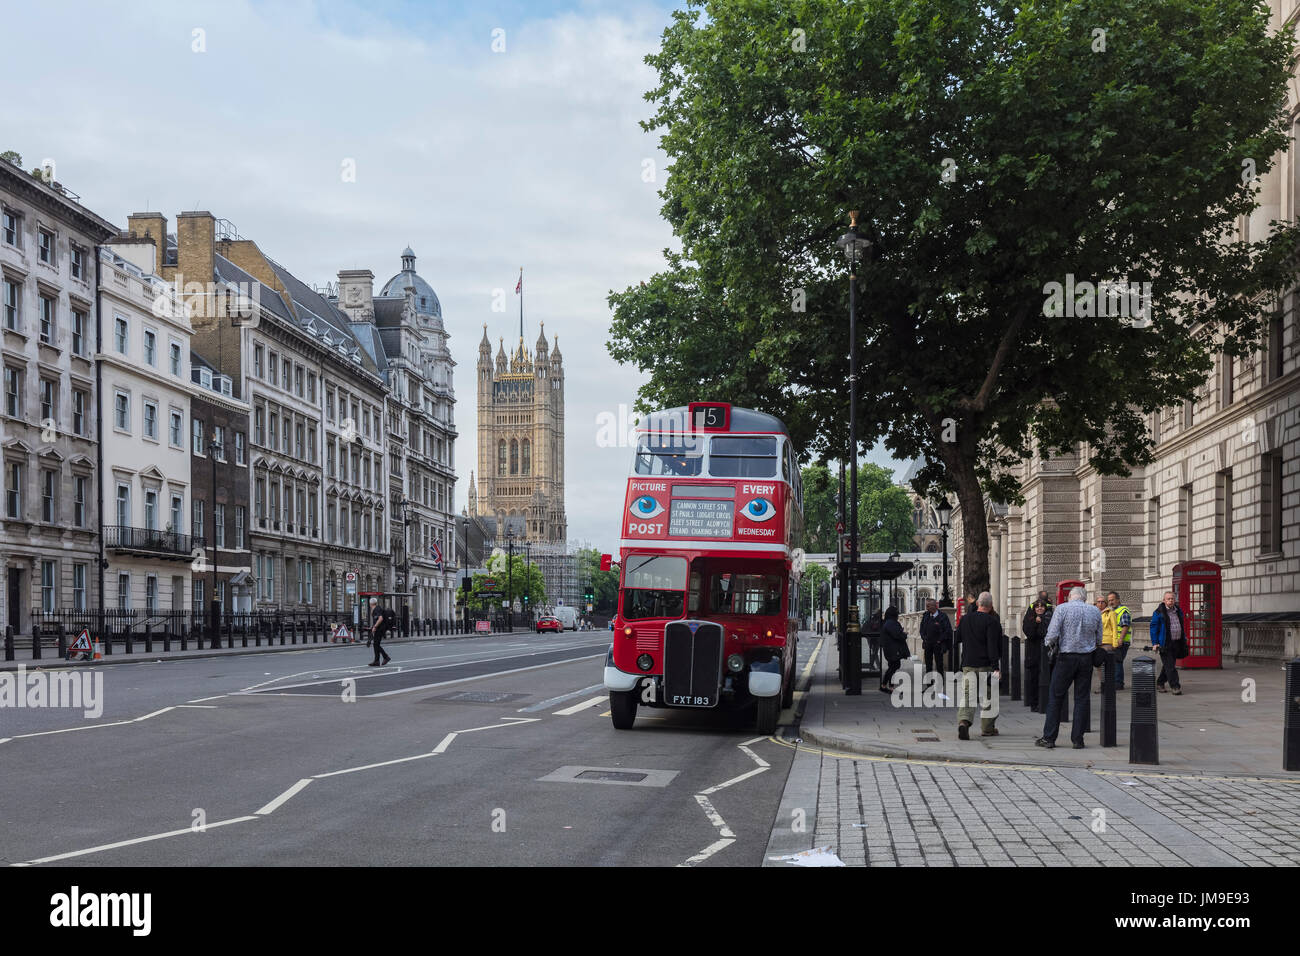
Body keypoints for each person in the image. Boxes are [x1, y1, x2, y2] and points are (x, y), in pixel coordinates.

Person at [1036, 586, 1102, 749]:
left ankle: (1049, 738)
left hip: (1066, 658)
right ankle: (1078, 740)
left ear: (1070, 596)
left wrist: (1048, 645)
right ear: (1084, 598)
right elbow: (1099, 638)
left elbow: (1052, 634)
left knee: (1055, 697)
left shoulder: (1062, 609)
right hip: (1086, 658)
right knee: (1082, 698)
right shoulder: (1095, 611)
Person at [955, 591, 1002, 740]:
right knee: (989, 697)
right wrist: (996, 667)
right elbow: (993, 646)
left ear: (977, 603)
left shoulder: (965, 619)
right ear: (991, 605)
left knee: (968, 695)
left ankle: (964, 722)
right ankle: (987, 728)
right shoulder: (992, 621)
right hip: (986, 665)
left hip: (968, 663)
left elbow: (957, 638)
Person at [1150, 590, 1185, 695]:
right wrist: (1155, 643)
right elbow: (1153, 628)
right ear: (1164, 600)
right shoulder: (1158, 612)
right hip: (1164, 643)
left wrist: (1184, 638)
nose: (1170, 600)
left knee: (1168, 665)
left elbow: (1181, 625)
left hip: (1177, 642)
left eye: (1172, 598)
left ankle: (1160, 683)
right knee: (1170, 667)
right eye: (1168, 599)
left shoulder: (1178, 610)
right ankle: (1175, 686)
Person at [1020, 596, 1052, 710]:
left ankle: (1046, 701)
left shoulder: (1049, 617)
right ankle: (1034, 703)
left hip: (1046, 653)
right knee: (1034, 678)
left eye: (1042, 606)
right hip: (1033, 653)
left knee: (1047, 678)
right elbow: (1030, 634)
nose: (1039, 608)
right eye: (1037, 607)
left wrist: (1042, 622)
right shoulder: (1029, 618)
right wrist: (1036, 623)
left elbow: (1046, 633)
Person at [918, 599, 952, 683]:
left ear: (934, 606)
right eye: (926, 606)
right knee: (928, 664)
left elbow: (948, 630)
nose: (926, 608)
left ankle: (940, 681)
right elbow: (922, 629)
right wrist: (924, 638)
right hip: (928, 644)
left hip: (938, 644)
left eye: (928, 606)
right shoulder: (926, 615)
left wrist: (940, 640)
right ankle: (929, 682)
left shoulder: (942, 616)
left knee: (939, 663)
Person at [879, 606, 910, 692]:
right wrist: (904, 634)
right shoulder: (891, 623)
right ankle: (884, 685)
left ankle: (890, 686)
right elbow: (897, 635)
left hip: (890, 648)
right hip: (892, 649)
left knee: (892, 667)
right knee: (894, 666)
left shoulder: (888, 622)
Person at [1093, 592, 1113, 694]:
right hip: (1096, 642)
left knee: (1105, 664)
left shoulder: (1110, 613)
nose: (1100, 604)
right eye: (1098, 602)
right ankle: (1103, 684)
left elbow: (1114, 628)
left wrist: (1115, 643)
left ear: (1106, 603)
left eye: (1102, 602)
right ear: (1095, 603)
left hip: (1107, 642)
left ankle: (1106, 686)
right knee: (1098, 665)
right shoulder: (1093, 613)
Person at [368, 597, 396, 666]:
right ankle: (377, 661)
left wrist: (375, 627)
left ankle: (385, 657)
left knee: (376, 644)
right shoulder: (376, 608)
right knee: (376, 644)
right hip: (380, 628)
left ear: (371, 603)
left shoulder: (377, 609)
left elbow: (380, 618)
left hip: (380, 629)